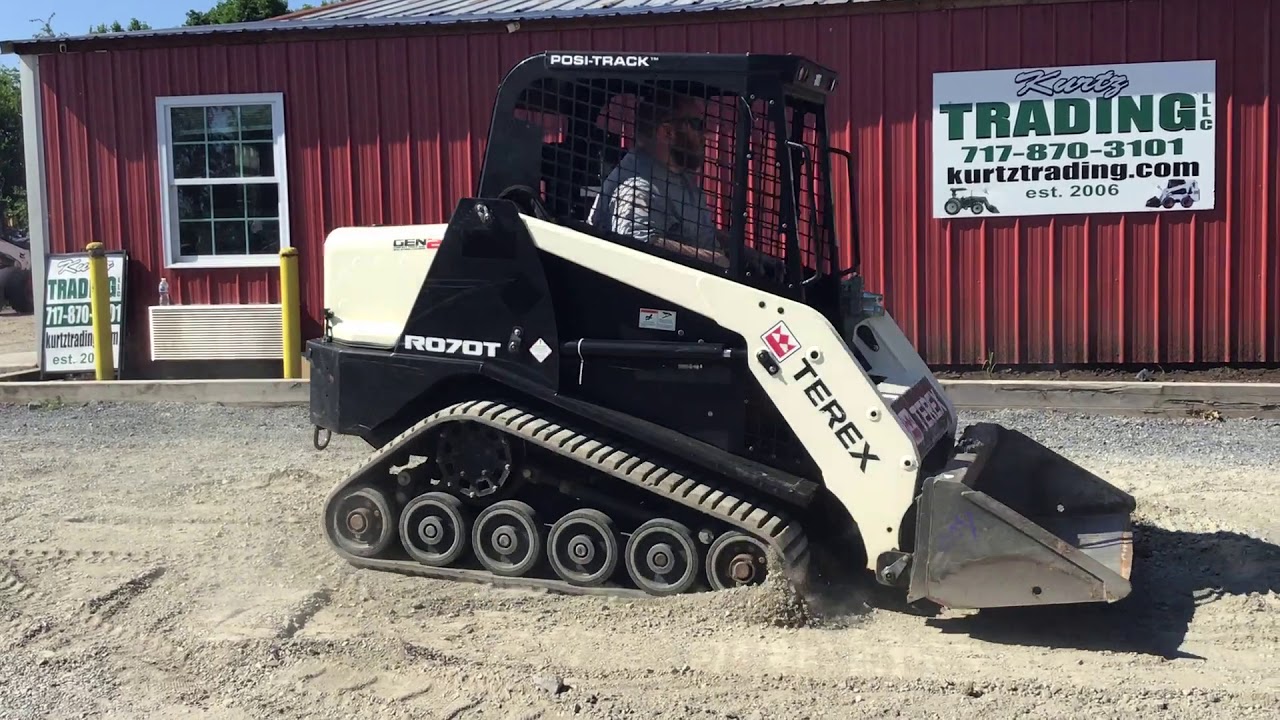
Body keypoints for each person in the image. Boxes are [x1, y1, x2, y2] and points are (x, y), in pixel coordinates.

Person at [587, 88, 731, 268]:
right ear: (667, 132)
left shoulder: (678, 175)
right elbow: (638, 245)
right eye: (697, 125)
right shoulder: (638, 187)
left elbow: (694, 231)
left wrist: (741, 251)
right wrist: (714, 260)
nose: (705, 136)